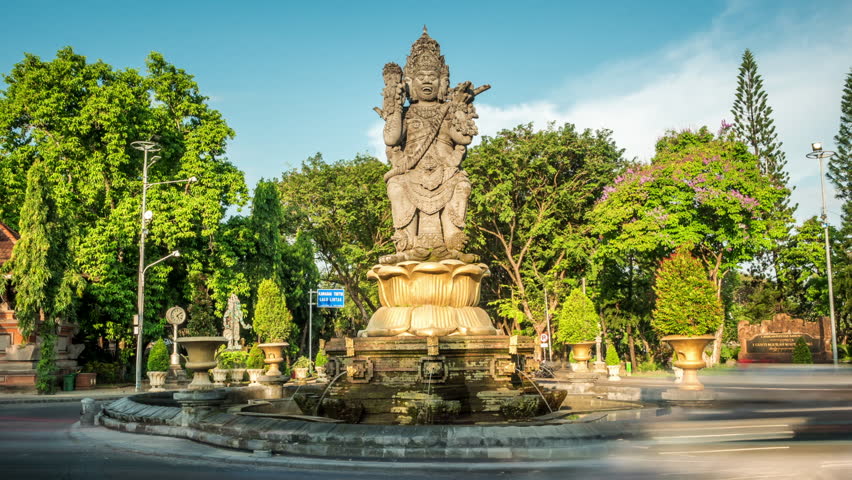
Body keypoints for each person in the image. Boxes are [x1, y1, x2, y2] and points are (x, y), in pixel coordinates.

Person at [376, 28, 488, 265]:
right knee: (396, 185)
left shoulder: (447, 111)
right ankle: (405, 243)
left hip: (446, 170)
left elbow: (464, 139)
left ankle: (453, 242)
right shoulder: (406, 113)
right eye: (421, 77)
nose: (427, 80)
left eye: (432, 76)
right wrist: (393, 102)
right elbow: (392, 139)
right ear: (410, 82)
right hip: (411, 172)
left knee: (461, 184)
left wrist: (460, 107)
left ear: (442, 81)